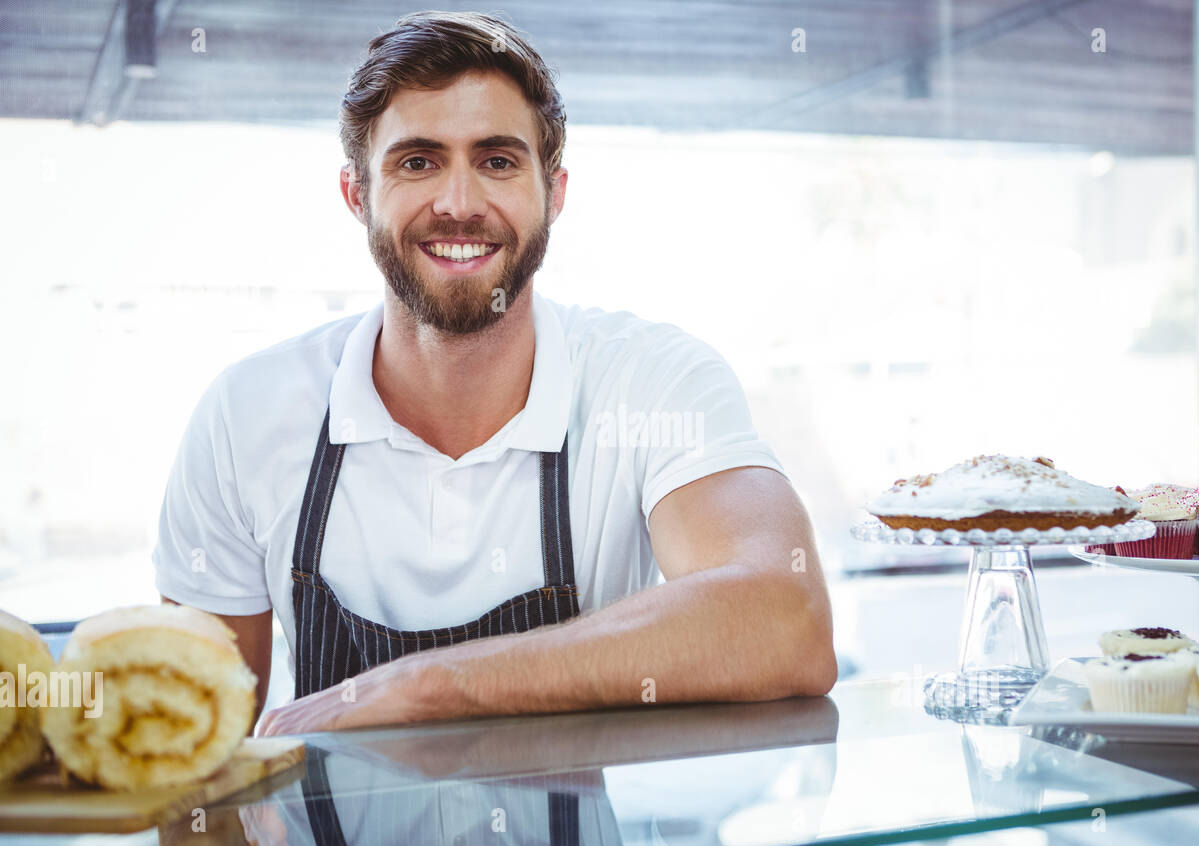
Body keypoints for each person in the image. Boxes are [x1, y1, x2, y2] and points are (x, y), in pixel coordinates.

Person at [153, 10, 835, 735]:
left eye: (498, 161)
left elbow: (786, 617)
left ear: (555, 193)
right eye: (417, 161)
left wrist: (433, 687)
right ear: (358, 195)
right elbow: (191, 744)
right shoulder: (246, 412)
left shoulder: (653, 382)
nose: (459, 203)